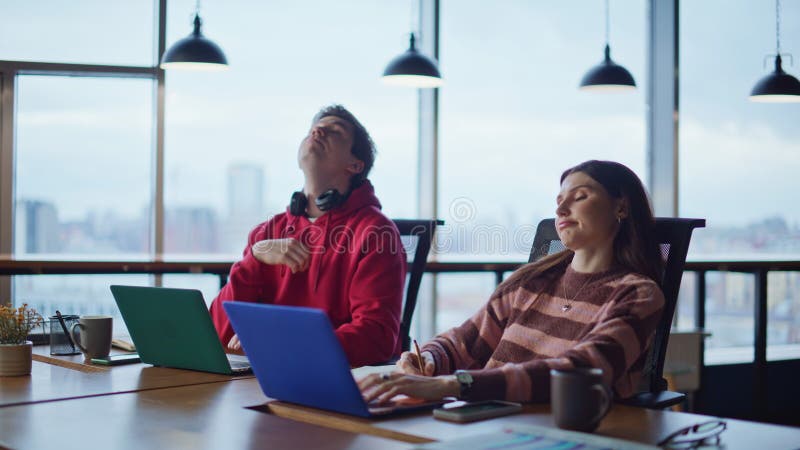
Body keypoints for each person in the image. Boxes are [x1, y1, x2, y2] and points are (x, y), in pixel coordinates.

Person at [360, 160, 665, 403]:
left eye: (580, 197)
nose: (560, 209)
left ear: (621, 207)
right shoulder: (530, 282)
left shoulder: (638, 294)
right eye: (559, 200)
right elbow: (464, 341)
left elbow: (584, 370)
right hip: (487, 418)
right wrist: (424, 360)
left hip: (559, 430)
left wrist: (451, 384)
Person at [210, 104, 406, 367]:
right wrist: (254, 259)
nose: (317, 131)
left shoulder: (376, 233)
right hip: (260, 380)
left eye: (334, 130)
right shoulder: (267, 234)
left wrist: (282, 345)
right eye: (314, 128)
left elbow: (376, 337)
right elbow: (217, 331)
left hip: (331, 384)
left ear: (355, 164)